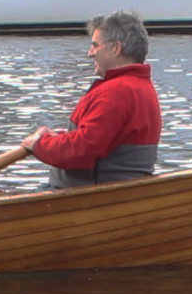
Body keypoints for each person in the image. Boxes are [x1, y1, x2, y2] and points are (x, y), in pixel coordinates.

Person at [22, 11, 161, 188]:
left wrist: (39, 145)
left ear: (116, 49)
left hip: (86, 196)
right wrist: (57, 139)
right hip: (121, 191)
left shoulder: (116, 92)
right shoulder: (141, 86)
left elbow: (82, 150)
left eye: (95, 46)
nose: (90, 53)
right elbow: (99, 140)